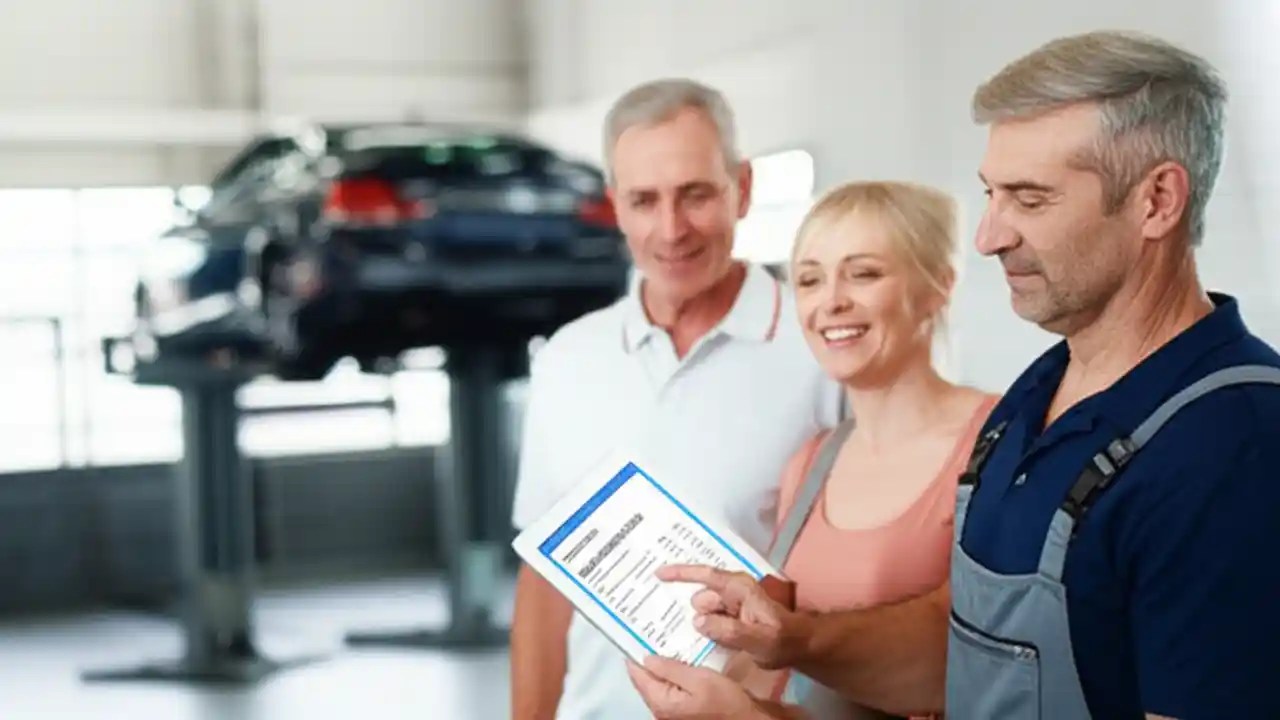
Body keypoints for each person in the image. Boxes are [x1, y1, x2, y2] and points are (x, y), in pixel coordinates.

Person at [627, 29, 1280, 719]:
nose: (988, 236)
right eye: (991, 195)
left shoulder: (1234, 447)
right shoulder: (1033, 400)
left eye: (1029, 200)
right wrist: (792, 641)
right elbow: (961, 657)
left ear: (1157, 202)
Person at [508, 78, 844, 720]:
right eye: (644, 201)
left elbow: (854, 588)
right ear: (615, 207)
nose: (671, 230)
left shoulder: (820, 353)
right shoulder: (566, 360)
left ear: (742, 190)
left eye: (695, 195)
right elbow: (544, 587)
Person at [730, 181, 996, 719]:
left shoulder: (1001, 442)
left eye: (864, 273)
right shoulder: (811, 463)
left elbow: (987, 668)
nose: (831, 301)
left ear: (940, 285)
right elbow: (789, 676)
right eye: (809, 279)